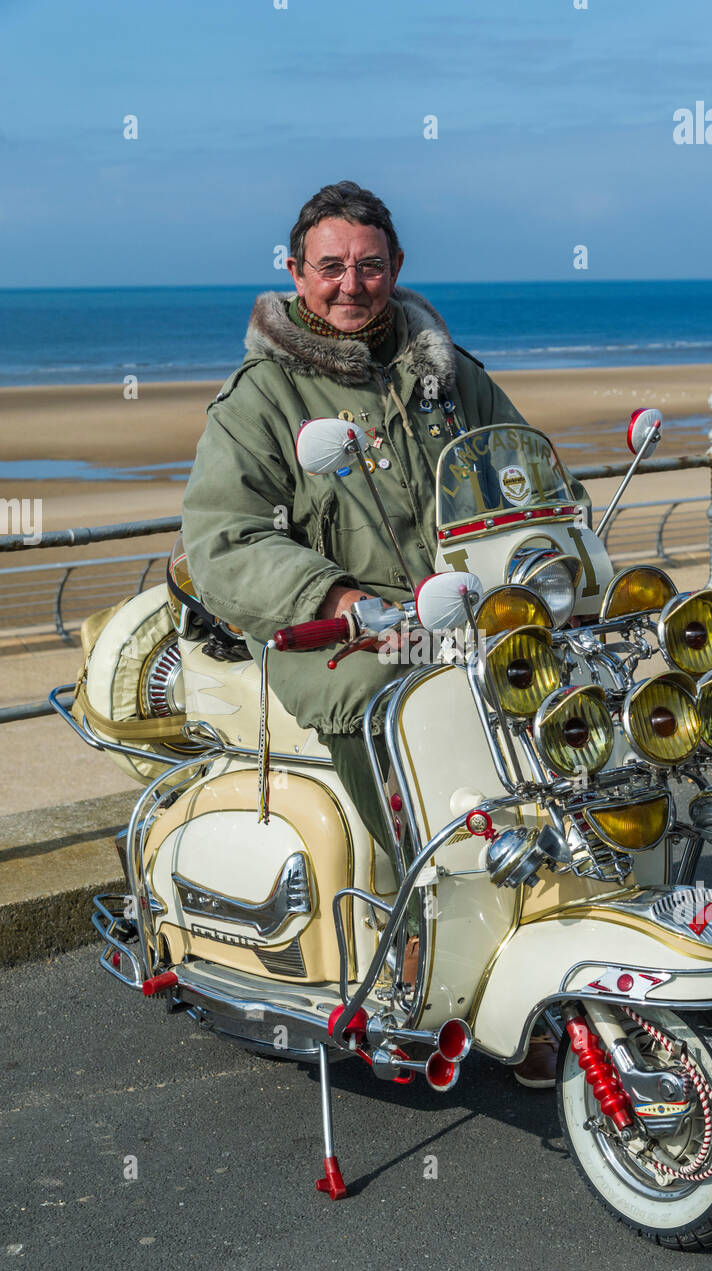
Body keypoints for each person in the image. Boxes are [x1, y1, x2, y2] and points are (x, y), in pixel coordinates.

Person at [182, 180, 559, 1086]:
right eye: (330, 267)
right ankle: (425, 938)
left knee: (574, 687)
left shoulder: (442, 372)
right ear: (293, 271)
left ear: (396, 267)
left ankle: (559, 914)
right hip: (339, 630)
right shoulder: (261, 396)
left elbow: (516, 462)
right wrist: (338, 596)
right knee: (387, 712)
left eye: (369, 265)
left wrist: (549, 543)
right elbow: (223, 540)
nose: (350, 285)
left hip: (464, 609)